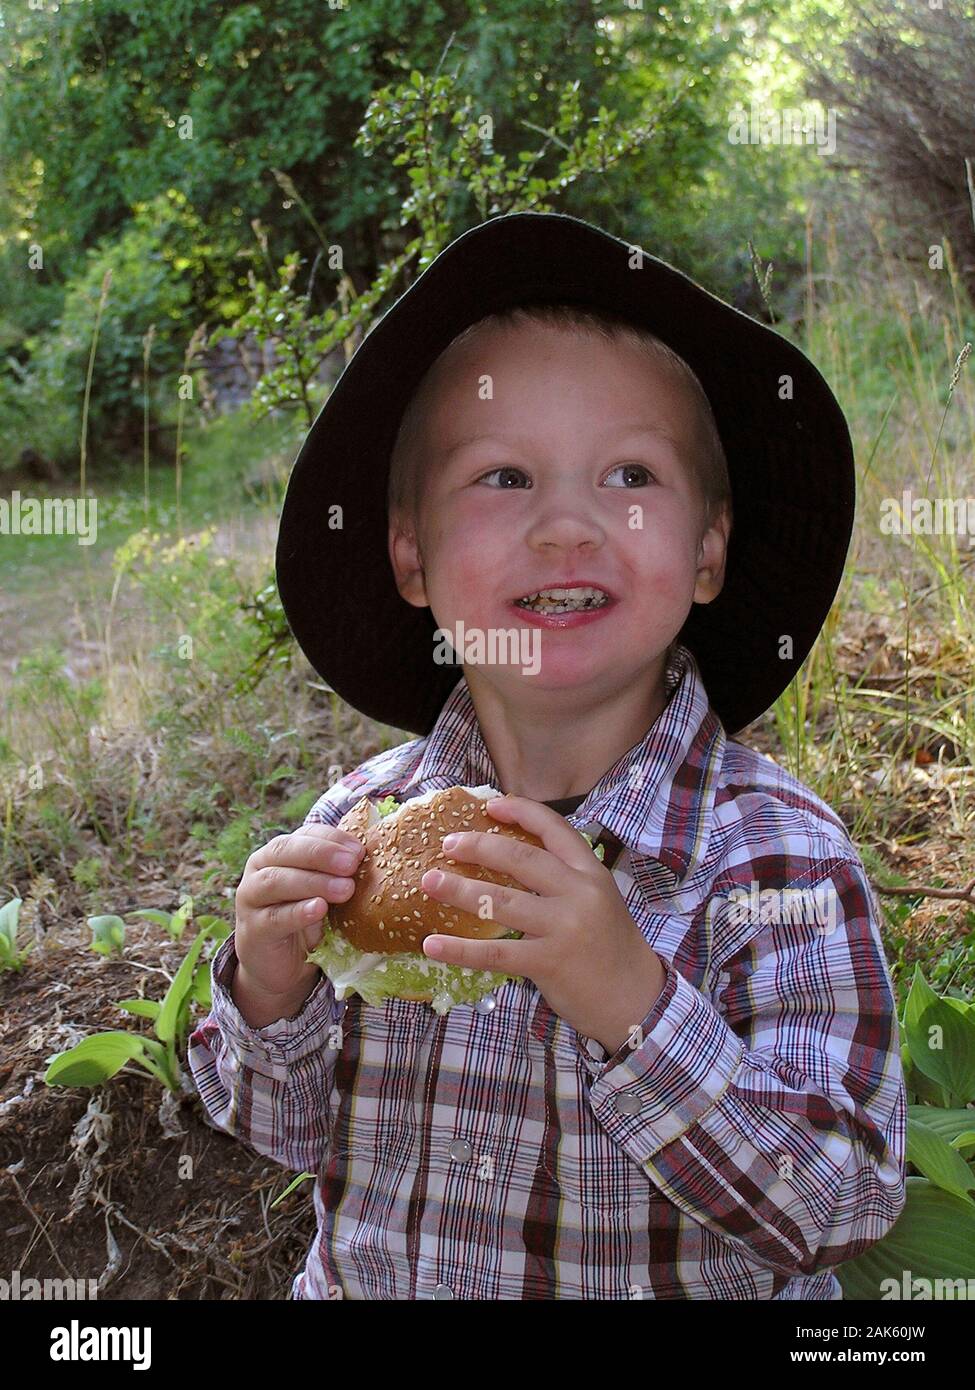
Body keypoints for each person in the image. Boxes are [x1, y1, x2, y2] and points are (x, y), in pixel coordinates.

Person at [188, 211, 906, 1300]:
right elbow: (279, 1131)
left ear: (708, 548)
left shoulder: (777, 862)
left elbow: (841, 1199)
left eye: (629, 474)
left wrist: (633, 1002)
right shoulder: (359, 831)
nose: (569, 524)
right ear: (411, 554)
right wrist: (271, 990)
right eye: (505, 477)